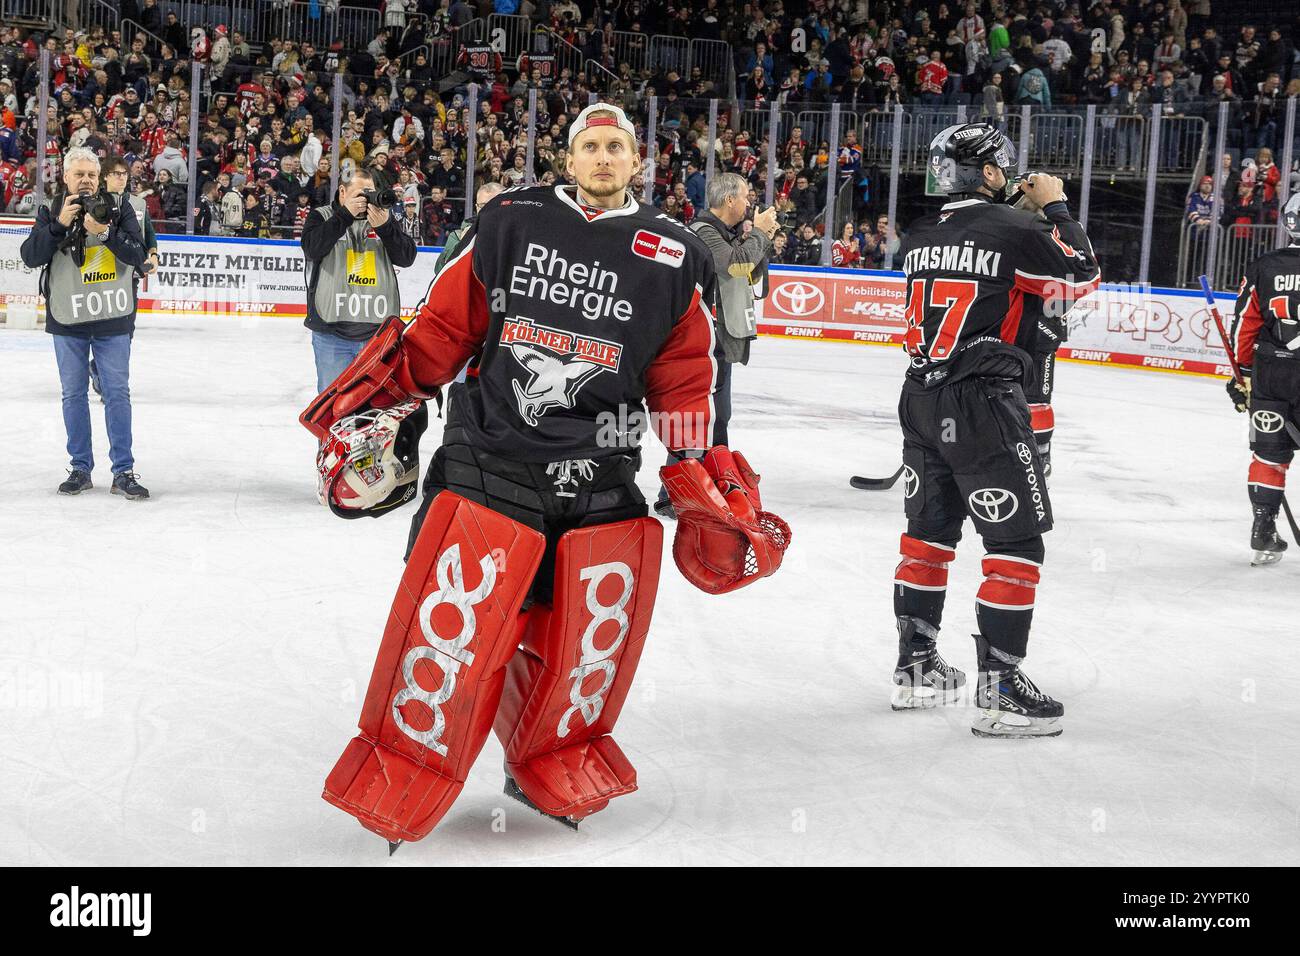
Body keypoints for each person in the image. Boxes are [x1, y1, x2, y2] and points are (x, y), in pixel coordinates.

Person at [299, 103, 789, 849]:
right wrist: (398, 398)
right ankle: (410, 763)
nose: (602, 157)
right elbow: (446, 325)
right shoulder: (511, 220)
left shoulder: (675, 250)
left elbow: (685, 375)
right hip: (489, 458)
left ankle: (544, 759)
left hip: (601, 471)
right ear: (569, 158)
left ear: (636, 162)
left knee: (581, 643)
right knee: (458, 631)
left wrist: (691, 461)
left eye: (615, 147)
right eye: (589, 145)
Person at [890, 124, 1099, 737]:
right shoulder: (1018, 229)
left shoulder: (921, 234)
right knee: (1015, 543)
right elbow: (1080, 276)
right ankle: (1001, 684)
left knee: (928, 535)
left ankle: (917, 666)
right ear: (985, 172)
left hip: (919, 395)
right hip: (981, 404)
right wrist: (1054, 206)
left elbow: (980, 254)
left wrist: (1018, 211)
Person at [19, 147, 149, 499]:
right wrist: (60, 224)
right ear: (65, 177)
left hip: (112, 317)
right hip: (68, 317)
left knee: (117, 394)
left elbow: (139, 256)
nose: (86, 181)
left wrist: (104, 233)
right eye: (79, 174)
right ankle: (80, 467)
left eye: (92, 175)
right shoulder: (50, 209)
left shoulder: (119, 208)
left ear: (100, 177)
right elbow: (30, 256)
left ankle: (123, 471)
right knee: (73, 395)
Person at [654, 171, 777, 518]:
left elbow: (755, 277)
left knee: (714, 418)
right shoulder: (704, 233)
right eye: (745, 197)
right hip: (698, 343)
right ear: (729, 201)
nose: (748, 203)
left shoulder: (726, 234)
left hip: (714, 341)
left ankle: (705, 487)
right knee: (703, 419)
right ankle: (679, 493)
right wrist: (762, 234)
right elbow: (738, 266)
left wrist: (757, 238)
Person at [1226, 193, 1300, 566]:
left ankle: (1264, 529)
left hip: (1273, 373)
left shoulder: (1264, 266)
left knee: (1269, 455)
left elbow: (1244, 325)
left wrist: (1242, 376)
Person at [300, 166, 418, 393]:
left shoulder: (382, 218)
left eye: (370, 193)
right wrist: (344, 216)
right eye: (359, 195)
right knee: (333, 404)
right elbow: (312, 249)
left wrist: (385, 227)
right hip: (332, 333)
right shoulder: (322, 215)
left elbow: (406, 258)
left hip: (377, 335)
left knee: (376, 406)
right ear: (343, 193)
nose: (366, 201)